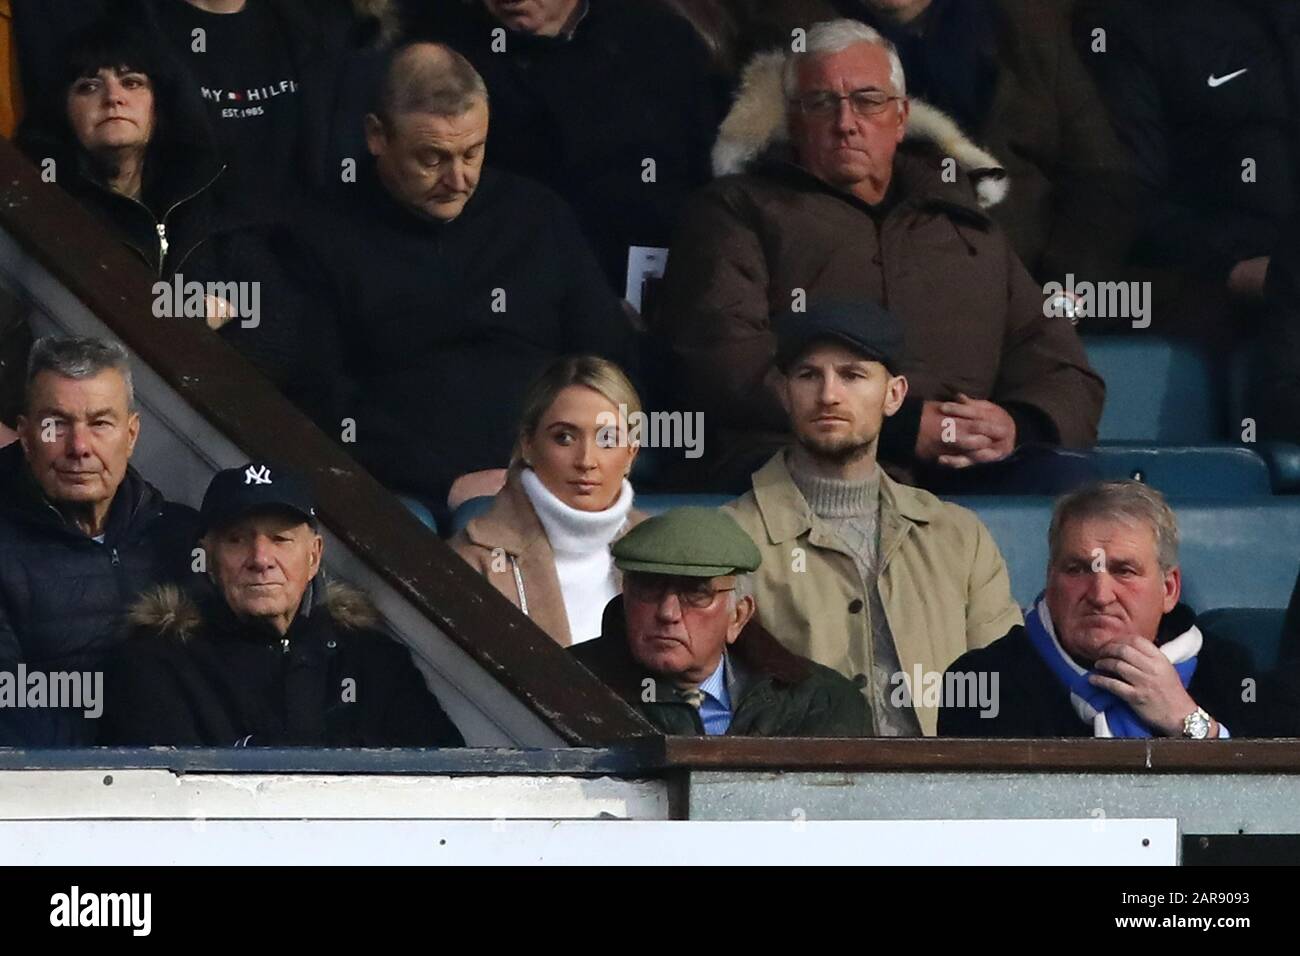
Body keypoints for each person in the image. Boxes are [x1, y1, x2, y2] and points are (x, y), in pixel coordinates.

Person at [653, 19, 1103, 492]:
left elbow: (1062, 367)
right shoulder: (736, 211)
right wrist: (901, 427)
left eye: (868, 101)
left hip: (964, 468)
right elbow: (722, 363)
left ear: (902, 117)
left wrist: (1015, 426)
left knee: (1071, 489)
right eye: (821, 103)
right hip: (802, 459)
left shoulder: (965, 221)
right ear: (793, 119)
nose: (846, 123)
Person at [303, 41, 635, 528]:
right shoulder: (322, 236)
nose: (458, 179)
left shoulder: (536, 217)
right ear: (377, 135)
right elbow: (321, 401)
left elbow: (607, 363)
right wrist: (444, 481)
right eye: (432, 158)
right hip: (407, 494)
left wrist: (562, 462)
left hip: (557, 480)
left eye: (472, 152)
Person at [723, 301, 1023, 736]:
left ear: (895, 394)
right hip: (798, 792)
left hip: (947, 792)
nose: (829, 394)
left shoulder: (960, 537)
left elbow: (1004, 691)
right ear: (784, 393)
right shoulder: (732, 536)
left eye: (852, 375)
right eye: (808, 375)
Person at [25, 17, 342, 426]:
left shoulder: (208, 194)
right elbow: (66, 341)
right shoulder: (47, 208)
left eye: (132, 82)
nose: (113, 98)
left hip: (222, 422)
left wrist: (198, 360)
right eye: (88, 86)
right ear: (62, 109)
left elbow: (278, 320)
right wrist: (191, 321)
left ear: (158, 103)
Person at [727, 0, 1136, 287]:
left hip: (1032, 282)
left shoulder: (1024, 26)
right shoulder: (793, 35)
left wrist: (1061, 291)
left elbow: (1102, 178)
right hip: (886, 297)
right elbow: (785, 191)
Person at [99, 462, 465, 747]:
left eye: (280, 539)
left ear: (314, 556)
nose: (261, 558)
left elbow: (445, 778)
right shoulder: (156, 663)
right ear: (207, 558)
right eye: (238, 540)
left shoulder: (374, 659)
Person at [409, 0, 729, 289]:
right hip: (515, 294)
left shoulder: (662, 40)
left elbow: (705, 182)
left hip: (663, 289)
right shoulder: (439, 51)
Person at [940, 481, 1258, 738]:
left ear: (1169, 589)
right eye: (1077, 570)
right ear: (1050, 581)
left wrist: (1186, 720)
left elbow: (1263, 806)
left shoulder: (1230, 675)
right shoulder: (982, 681)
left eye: (1124, 571)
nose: (1100, 595)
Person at [0, 336, 198, 745]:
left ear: (131, 434)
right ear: (24, 435)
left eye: (100, 423)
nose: (79, 448)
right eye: (56, 424)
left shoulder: (184, 537)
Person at [572, 507, 870, 736]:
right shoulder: (569, 685)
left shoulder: (821, 701)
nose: (667, 612)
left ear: (738, 616)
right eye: (648, 588)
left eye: (696, 593)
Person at [450, 357, 647, 646]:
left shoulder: (664, 549)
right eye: (564, 437)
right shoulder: (472, 562)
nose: (586, 461)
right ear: (528, 444)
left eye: (607, 439)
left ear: (631, 452)